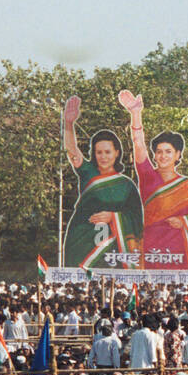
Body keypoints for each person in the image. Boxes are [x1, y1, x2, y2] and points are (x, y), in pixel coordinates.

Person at [119, 89, 188, 272]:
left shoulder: (186, 185)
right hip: (151, 246)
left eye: (168, 151)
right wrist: (136, 114)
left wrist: (184, 221)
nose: (163, 156)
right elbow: (138, 144)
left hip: (179, 248)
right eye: (159, 151)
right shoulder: (148, 176)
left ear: (178, 155)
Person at [61, 96, 145, 270]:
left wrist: (113, 217)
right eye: (99, 152)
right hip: (82, 240)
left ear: (116, 153)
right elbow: (72, 152)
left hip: (114, 245)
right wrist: (68, 124)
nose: (103, 156)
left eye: (108, 152)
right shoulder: (88, 173)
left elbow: (136, 217)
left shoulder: (126, 185)